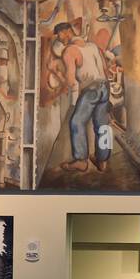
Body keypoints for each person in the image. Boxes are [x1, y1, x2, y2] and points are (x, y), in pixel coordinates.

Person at [55, 23, 112, 175]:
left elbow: (71, 81)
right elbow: (105, 70)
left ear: (66, 32)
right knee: (103, 125)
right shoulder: (92, 46)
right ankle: (103, 161)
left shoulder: (69, 51)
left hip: (91, 90)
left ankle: (81, 161)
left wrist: (56, 72)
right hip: (105, 86)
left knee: (76, 121)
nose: (59, 39)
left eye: (59, 35)